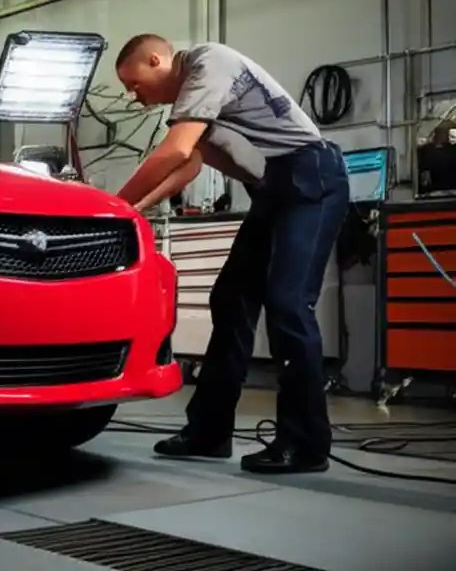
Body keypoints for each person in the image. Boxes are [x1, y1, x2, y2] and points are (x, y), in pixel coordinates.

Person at [112, 34, 350, 475]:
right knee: (230, 299)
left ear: (156, 58)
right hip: (276, 188)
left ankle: (306, 443)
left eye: (134, 83)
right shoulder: (189, 102)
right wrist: (139, 207)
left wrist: (112, 206)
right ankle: (209, 431)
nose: (134, 96)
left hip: (312, 177)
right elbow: (191, 162)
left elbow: (177, 151)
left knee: (288, 305)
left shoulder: (208, 63)